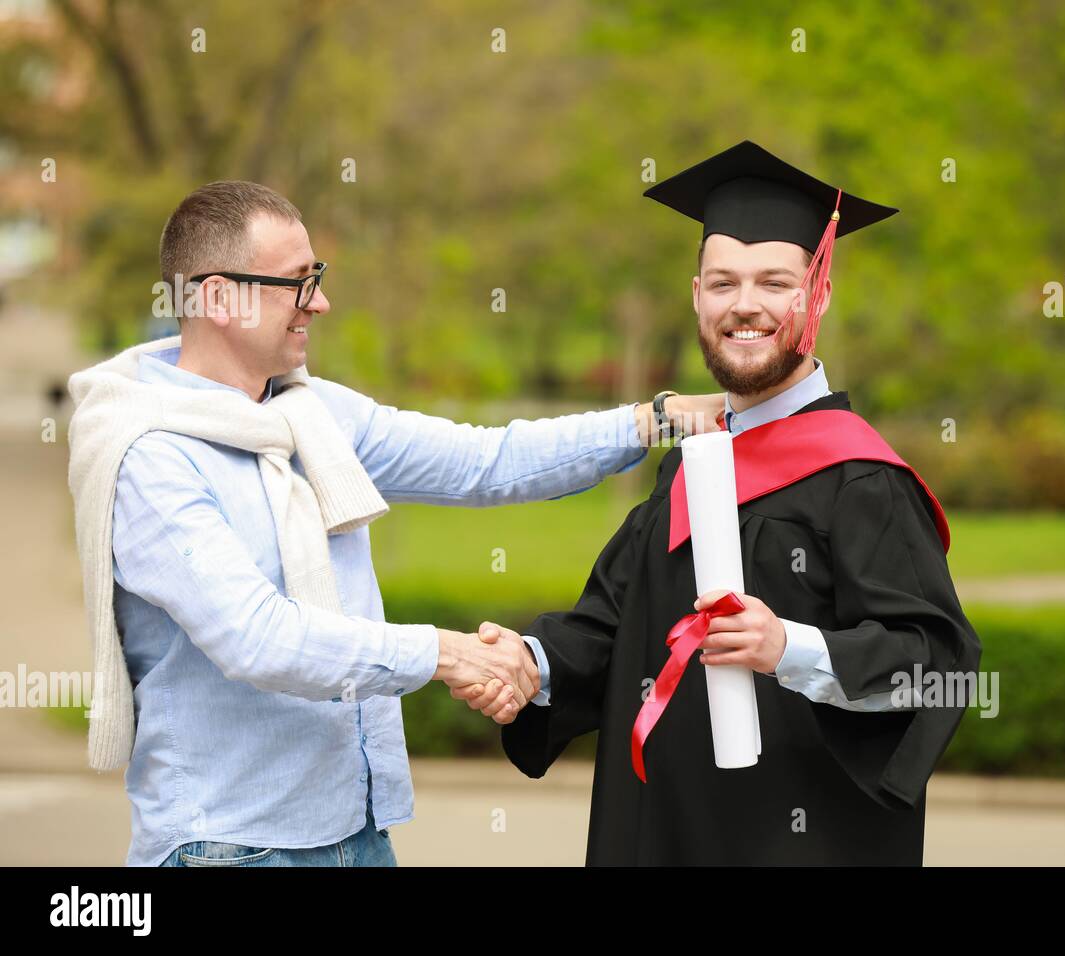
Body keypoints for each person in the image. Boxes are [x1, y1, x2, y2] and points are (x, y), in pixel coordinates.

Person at [64, 181, 724, 867]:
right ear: (218, 296)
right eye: (298, 282)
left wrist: (657, 419)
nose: (319, 302)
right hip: (229, 849)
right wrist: (447, 653)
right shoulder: (149, 456)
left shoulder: (311, 414)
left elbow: (483, 462)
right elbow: (259, 638)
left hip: (357, 832)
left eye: (315, 278)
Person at [453, 142, 982, 865]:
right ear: (697, 295)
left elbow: (934, 663)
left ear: (815, 294)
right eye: (723, 282)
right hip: (659, 832)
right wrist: (530, 661)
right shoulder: (689, 469)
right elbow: (610, 627)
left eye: (773, 282)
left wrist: (787, 648)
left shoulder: (860, 479)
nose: (745, 306)